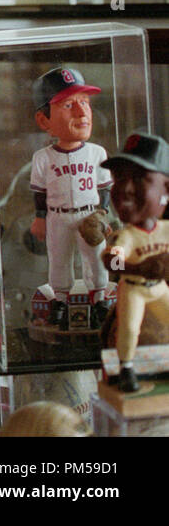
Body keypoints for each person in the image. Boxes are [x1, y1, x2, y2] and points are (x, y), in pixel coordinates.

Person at [27, 67, 113, 328]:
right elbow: (39, 192)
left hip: (89, 214)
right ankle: (61, 303)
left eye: (85, 102)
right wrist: (40, 218)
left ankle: (99, 300)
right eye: (68, 104)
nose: (81, 111)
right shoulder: (43, 158)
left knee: (96, 259)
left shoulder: (97, 152)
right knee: (59, 260)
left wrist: (104, 215)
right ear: (44, 121)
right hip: (58, 216)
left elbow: (105, 188)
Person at [95, 133, 169, 392]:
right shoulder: (127, 235)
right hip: (134, 288)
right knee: (128, 328)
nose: (125, 188)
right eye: (119, 178)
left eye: (138, 178)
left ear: (166, 190)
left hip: (159, 288)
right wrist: (140, 267)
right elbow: (112, 263)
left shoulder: (165, 229)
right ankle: (126, 369)